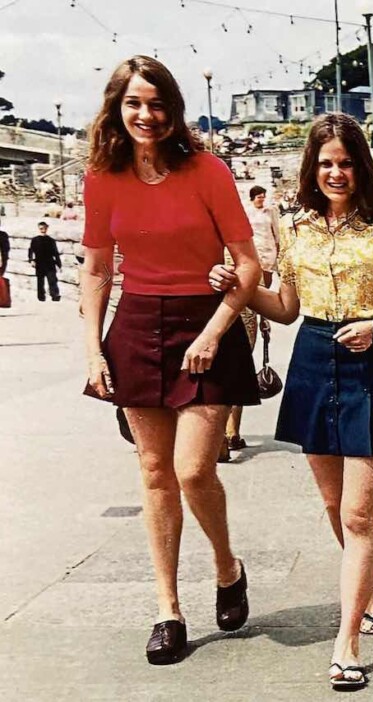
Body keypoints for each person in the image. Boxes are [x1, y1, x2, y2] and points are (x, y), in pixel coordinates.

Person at [209, 113, 373, 691]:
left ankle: (347, 642)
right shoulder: (295, 226)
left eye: (346, 162)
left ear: (362, 165)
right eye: (326, 163)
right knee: (337, 507)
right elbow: (285, 306)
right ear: (312, 168)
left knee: (361, 513)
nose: (336, 173)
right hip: (313, 356)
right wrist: (235, 286)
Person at [79, 56, 261, 665]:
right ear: (116, 108)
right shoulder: (103, 177)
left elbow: (249, 265)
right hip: (135, 326)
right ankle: (168, 608)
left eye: (156, 104)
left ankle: (225, 563)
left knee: (191, 470)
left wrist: (213, 333)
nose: (145, 115)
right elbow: (99, 270)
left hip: (204, 322)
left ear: (173, 110)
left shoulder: (207, 171)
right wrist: (92, 350)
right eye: (133, 103)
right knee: (154, 473)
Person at [221, 184, 281, 457]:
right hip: (243, 309)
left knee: (218, 372)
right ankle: (231, 432)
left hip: (217, 310)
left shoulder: (210, 239)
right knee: (240, 366)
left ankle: (223, 435)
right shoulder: (246, 246)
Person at [28, 221, 62, 301]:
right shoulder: (35, 240)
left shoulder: (51, 240)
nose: (43, 230)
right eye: (41, 228)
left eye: (44, 228)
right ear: (39, 229)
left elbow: (55, 253)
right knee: (40, 281)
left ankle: (55, 295)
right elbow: (31, 251)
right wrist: (31, 260)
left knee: (52, 280)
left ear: (47, 228)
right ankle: (41, 296)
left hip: (50, 263)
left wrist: (59, 264)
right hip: (39, 263)